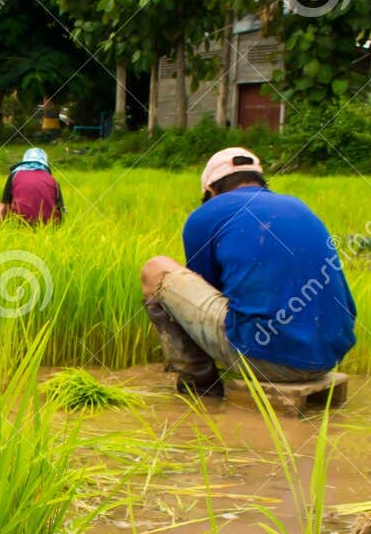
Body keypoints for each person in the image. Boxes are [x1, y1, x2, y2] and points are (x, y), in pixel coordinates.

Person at [141, 147, 356, 399]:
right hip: (329, 357)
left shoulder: (206, 214)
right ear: (259, 181)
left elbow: (207, 293)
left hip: (270, 358)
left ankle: (199, 385)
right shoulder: (298, 206)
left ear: (210, 191)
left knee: (155, 269)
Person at [0, 148, 65, 225]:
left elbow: (6, 205)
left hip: (19, 223)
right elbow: (61, 211)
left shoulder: (15, 175)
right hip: (50, 225)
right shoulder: (53, 181)